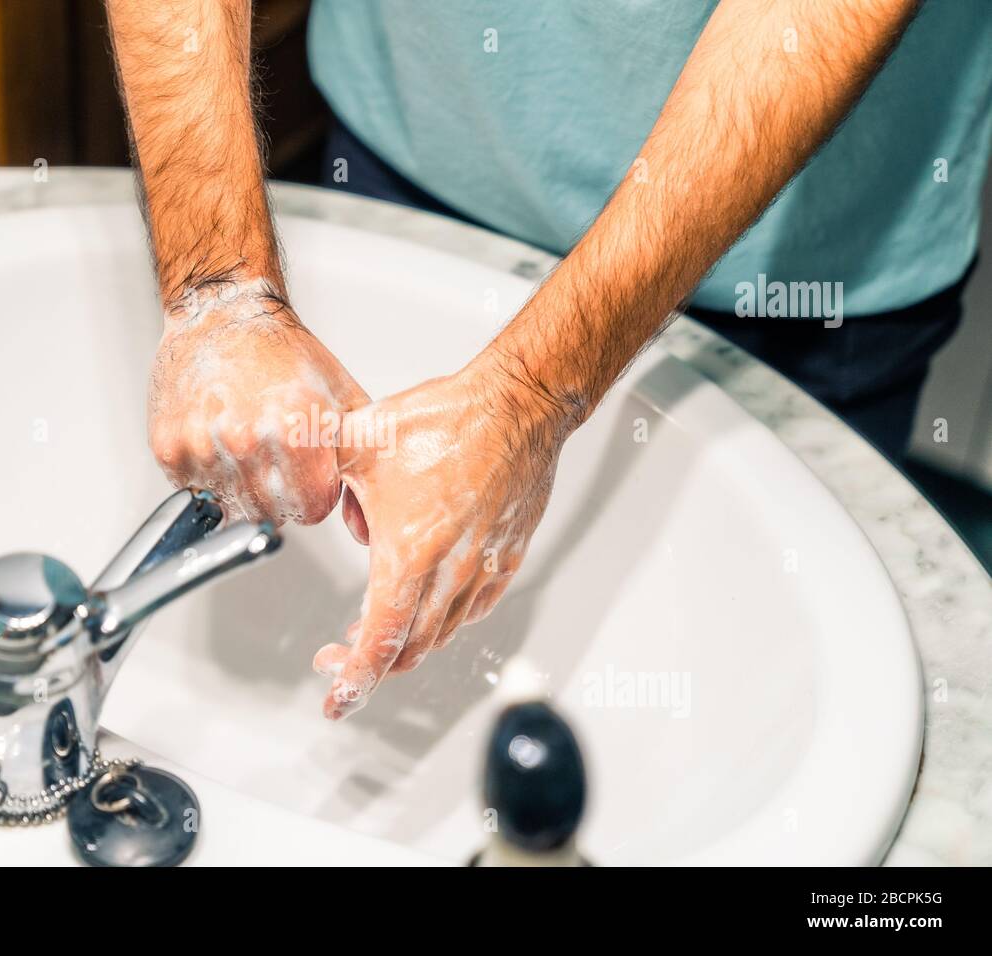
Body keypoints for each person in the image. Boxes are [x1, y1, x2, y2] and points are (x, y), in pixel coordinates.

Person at [105, 0, 990, 720]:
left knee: (760, 723)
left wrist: (532, 391)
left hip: (789, 268)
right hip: (410, 152)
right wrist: (219, 285)